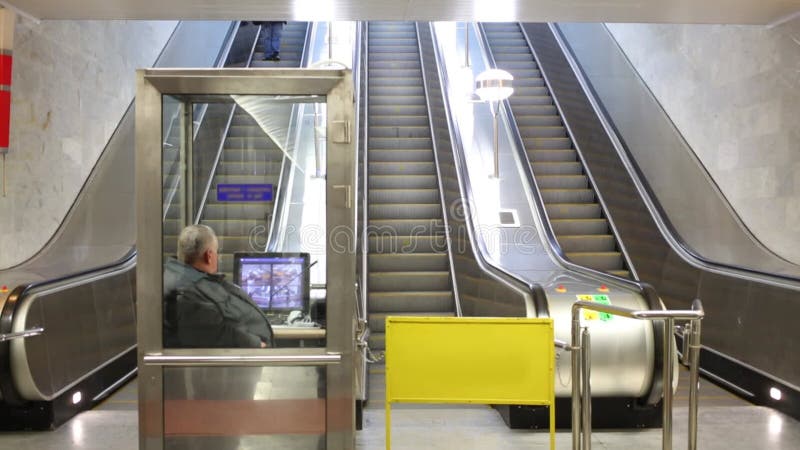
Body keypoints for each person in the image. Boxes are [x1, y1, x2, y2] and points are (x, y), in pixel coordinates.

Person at [163, 224, 274, 348]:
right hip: (240, 358)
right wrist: (256, 344)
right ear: (209, 256)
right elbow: (213, 329)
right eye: (216, 252)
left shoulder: (179, 276)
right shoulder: (187, 291)